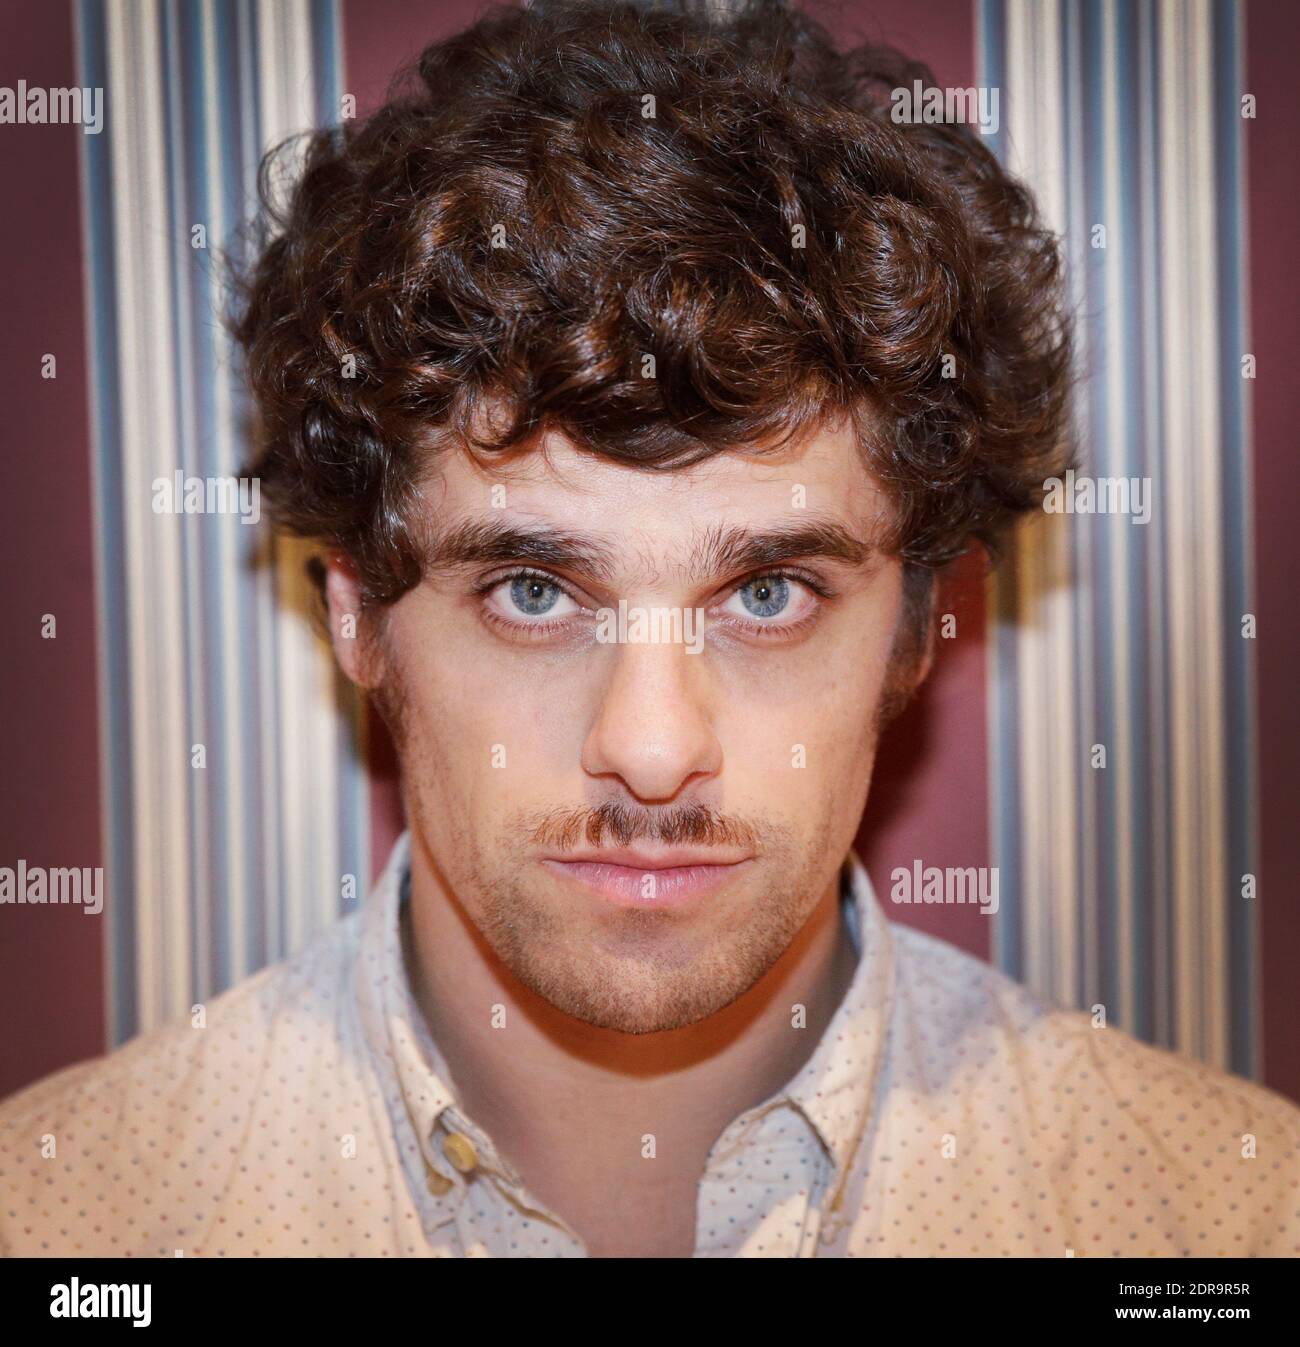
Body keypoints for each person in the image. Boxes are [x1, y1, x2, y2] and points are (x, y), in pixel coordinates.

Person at [2, 0, 1296, 1258]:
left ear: (914, 633)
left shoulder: (1229, 1218)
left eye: (768, 594)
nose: (655, 750)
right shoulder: (65, 1221)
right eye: (534, 592)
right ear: (359, 619)